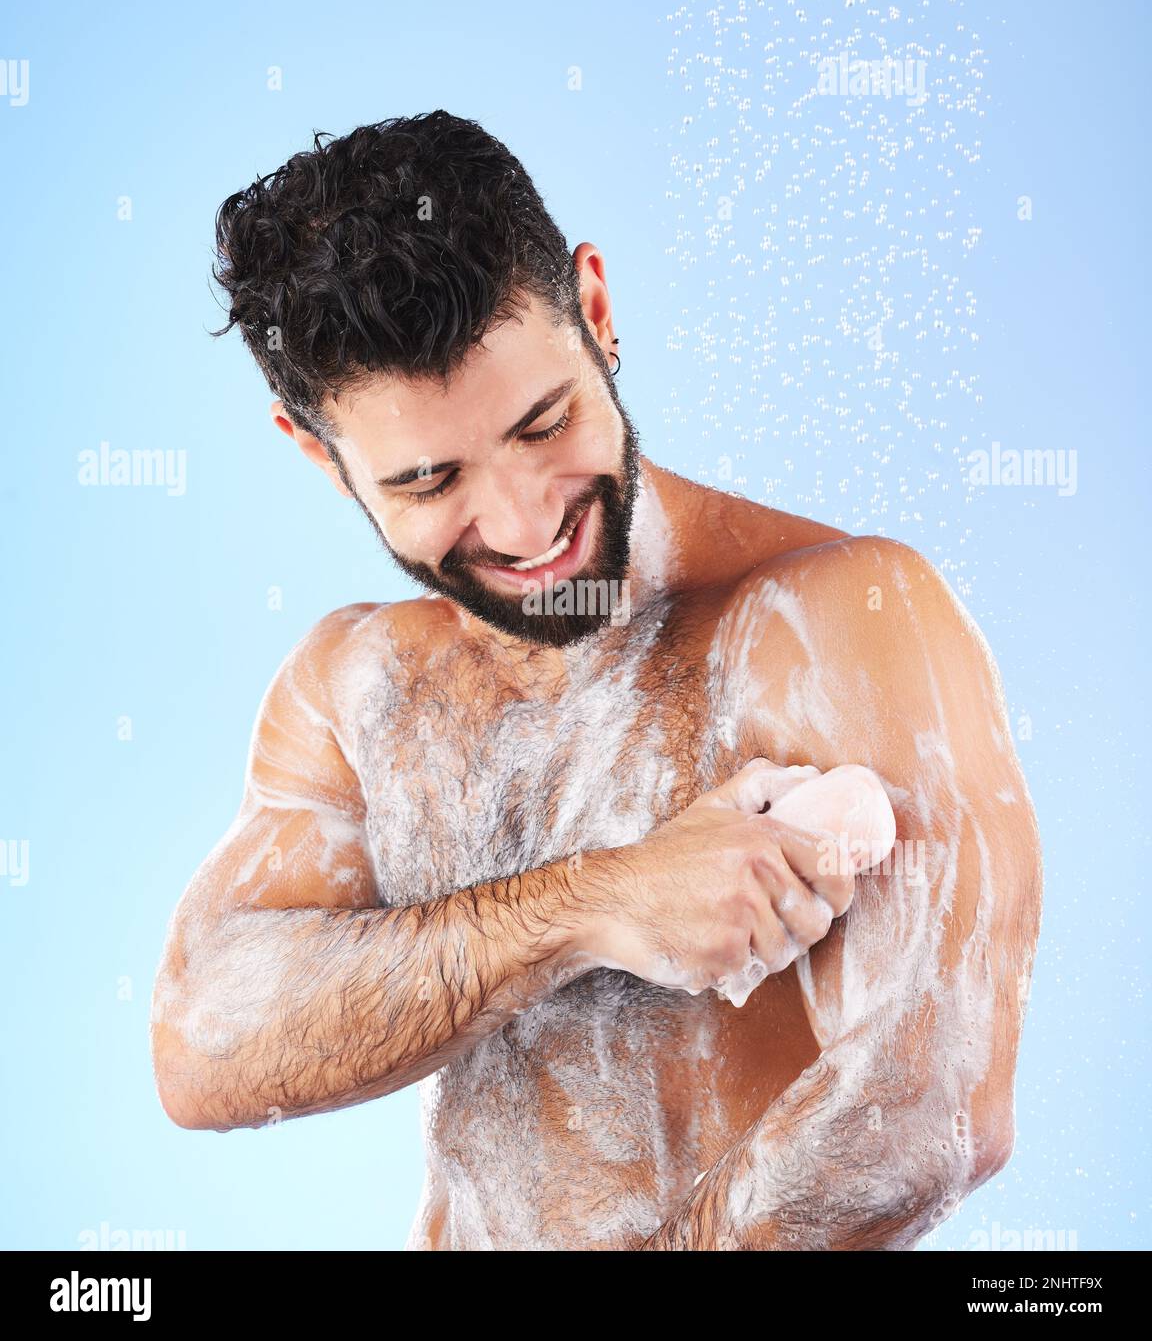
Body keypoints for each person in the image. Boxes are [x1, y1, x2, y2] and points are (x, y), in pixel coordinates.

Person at [150, 110, 1043, 1251]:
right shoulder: (357, 684)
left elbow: (931, 1108)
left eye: (545, 421)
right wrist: (593, 906)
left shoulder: (836, 619)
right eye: (432, 481)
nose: (527, 525)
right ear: (319, 457)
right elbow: (204, 1045)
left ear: (599, 315)